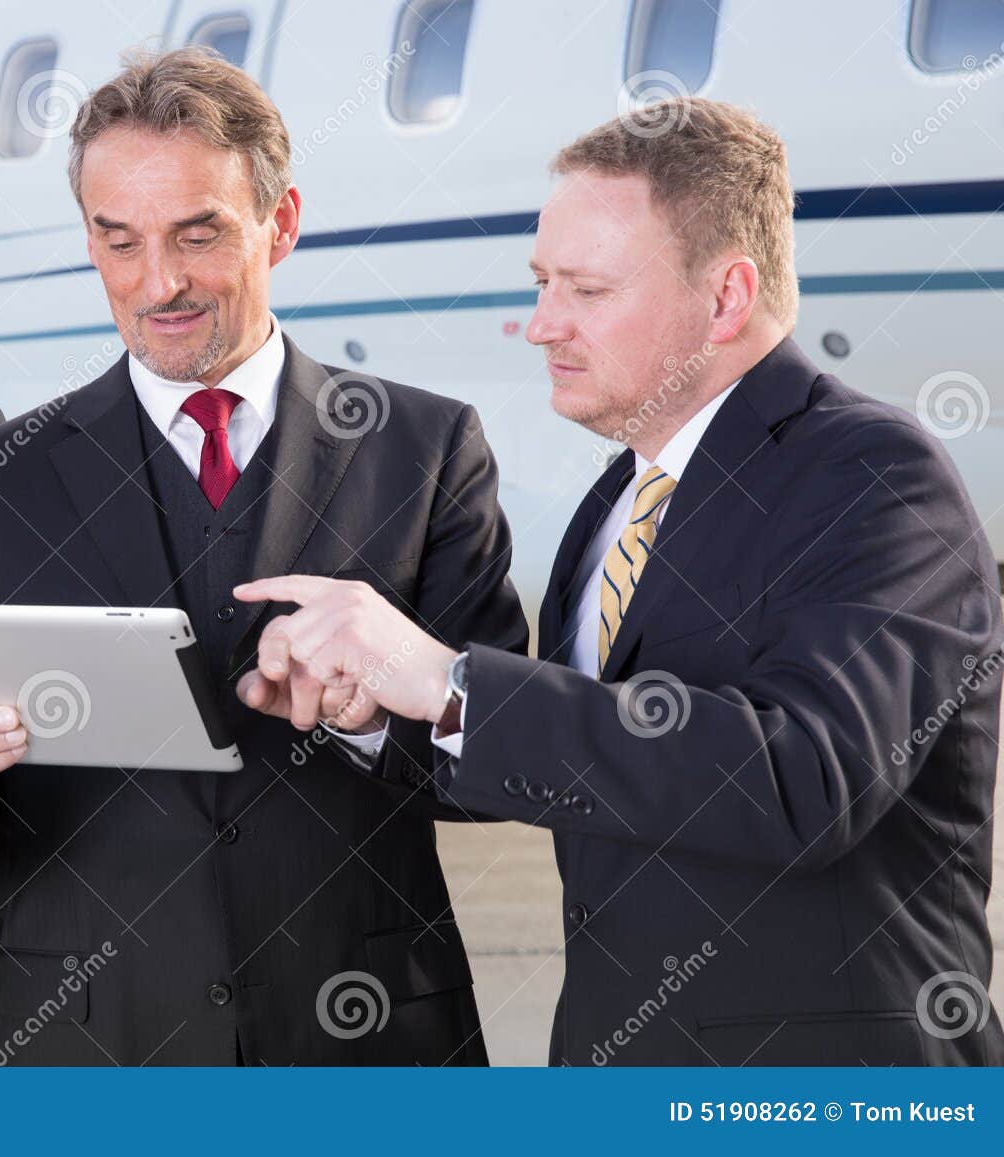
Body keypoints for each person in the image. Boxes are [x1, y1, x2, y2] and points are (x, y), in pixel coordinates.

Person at [235, 98, 1003, 1065]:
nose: (540, 324)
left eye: (587, 290)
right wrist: (388, 714)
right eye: (541, 281)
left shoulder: (873, 475)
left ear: (726, 298)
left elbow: (806, 779)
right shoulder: (620, 498)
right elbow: (590, 773)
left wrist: (451, 680)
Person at [0, 48, 528, 1065]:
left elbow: (500, 765)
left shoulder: (423, 450)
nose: (155, 283)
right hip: (89, 1045)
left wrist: (367, 718)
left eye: (197, 233)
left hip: (367, 1037)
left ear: (281, 222)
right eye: (116, 240)